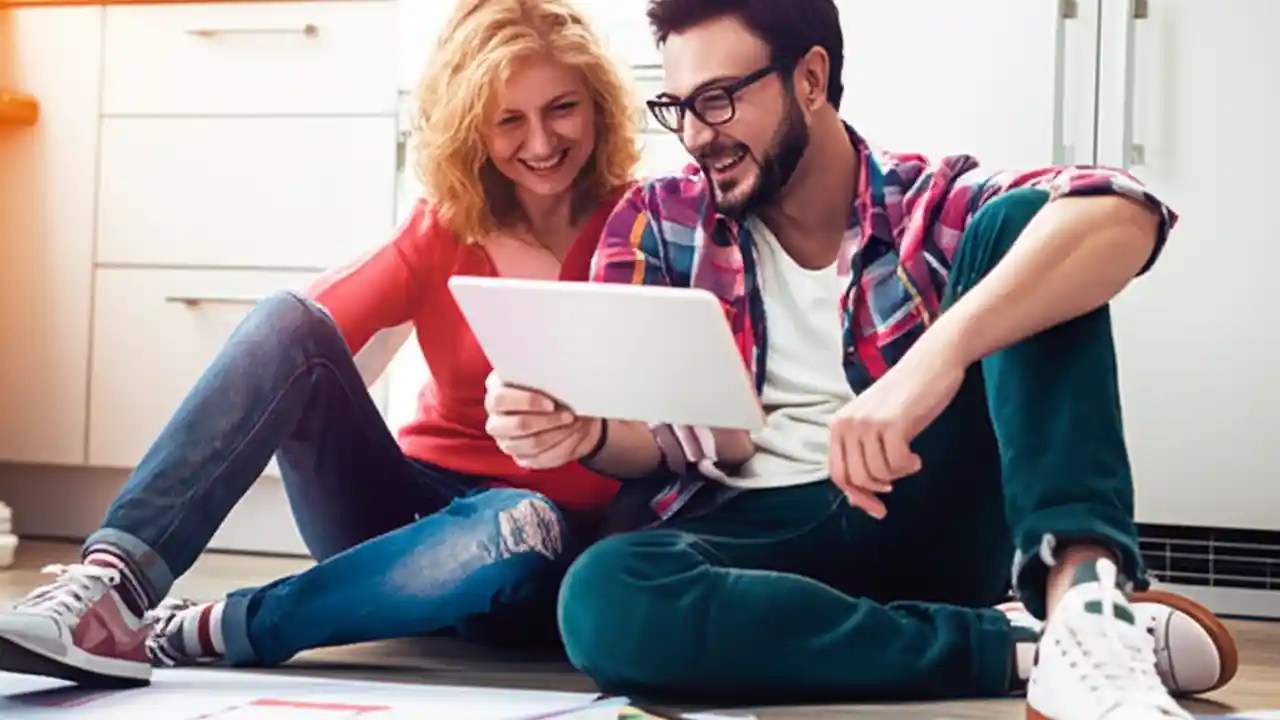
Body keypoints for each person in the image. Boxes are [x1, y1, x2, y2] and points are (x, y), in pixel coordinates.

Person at [484, 0, 1239, 717]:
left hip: (924, 502)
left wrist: (932, 362)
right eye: (677, 106)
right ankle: (1035, 650)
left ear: (810, 79)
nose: (696, 135)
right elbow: (655, 436)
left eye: (718, 100)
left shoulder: (923, 201)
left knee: (1029, 227)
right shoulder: (658, 221)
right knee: (603, 598)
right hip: (759, 532)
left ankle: (1088, 603)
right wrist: (585, 432)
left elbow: (1122, 211)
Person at [0, 0, 641, 688]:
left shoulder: (644, 225)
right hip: (400, 508)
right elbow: (291, 349)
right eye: (510, 119)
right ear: (471, 128)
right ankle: (110, 588)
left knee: (521, 519)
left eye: (562, 108)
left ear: (598, 105)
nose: (541, 142)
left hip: (541, 550)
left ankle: (207, 627)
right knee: (287, 319)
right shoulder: (444, 229)